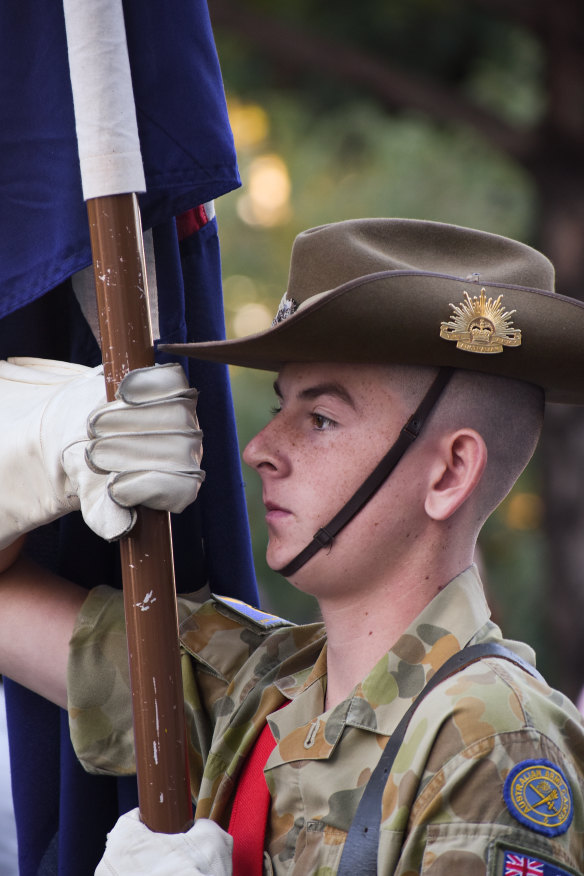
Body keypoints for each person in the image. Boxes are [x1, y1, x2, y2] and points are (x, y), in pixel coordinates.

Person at [0, 218, 583, 875]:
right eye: (281, 406)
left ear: (448, 474)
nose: (259, 449)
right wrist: (45, 447)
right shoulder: (256, 687)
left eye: (322, 418)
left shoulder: (488, 741)